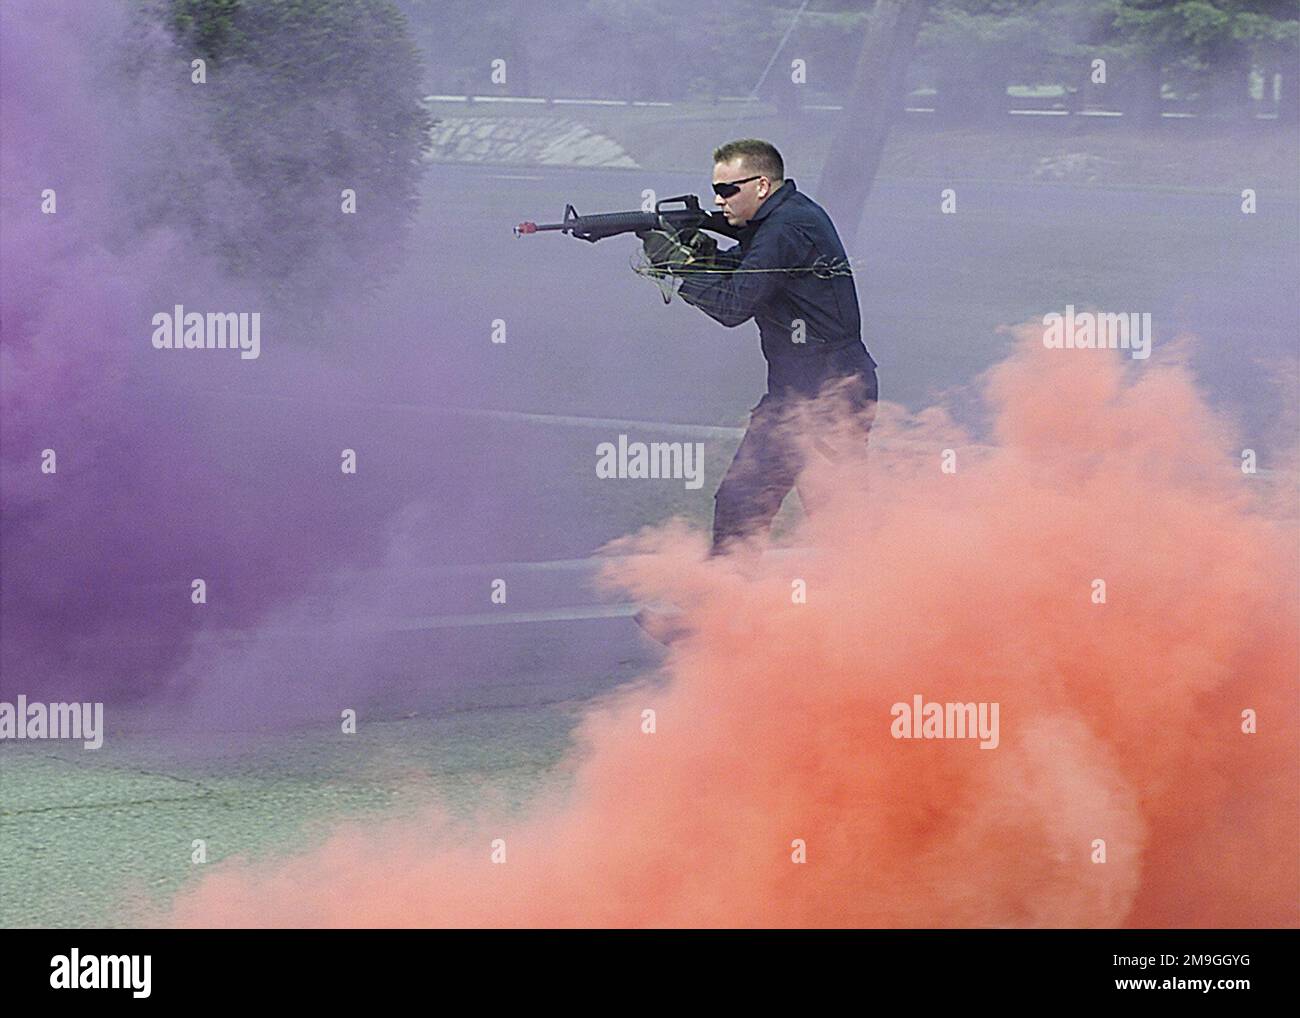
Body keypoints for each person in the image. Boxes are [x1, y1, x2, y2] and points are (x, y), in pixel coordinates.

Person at [633, 139, 878, 643]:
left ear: (762, 186)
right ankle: (717, 616)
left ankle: (883, 623)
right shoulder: (782, 219)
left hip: (828, 394)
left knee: (837, 518)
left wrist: (679, 264)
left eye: (728, 190)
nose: (719, 201)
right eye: (714, 192)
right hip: (802, 392)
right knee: (748, 501)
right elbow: (750, 277)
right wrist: (697, 241)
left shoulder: (786, 228)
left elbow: (732, 305)